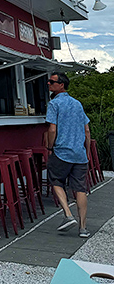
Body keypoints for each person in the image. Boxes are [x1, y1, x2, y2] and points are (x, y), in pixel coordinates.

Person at [45, 71, 91, 237]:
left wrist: (50, 147)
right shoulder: (77, 104)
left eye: (51, 82)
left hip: (62, 152)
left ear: (61, 85)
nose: (48, 84)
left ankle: (68, 214)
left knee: (56, 179)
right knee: (80, 189)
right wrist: (86, 150)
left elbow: (52, 129)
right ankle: (83, 228)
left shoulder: (54, 104)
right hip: (79, 154)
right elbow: (86, 130)